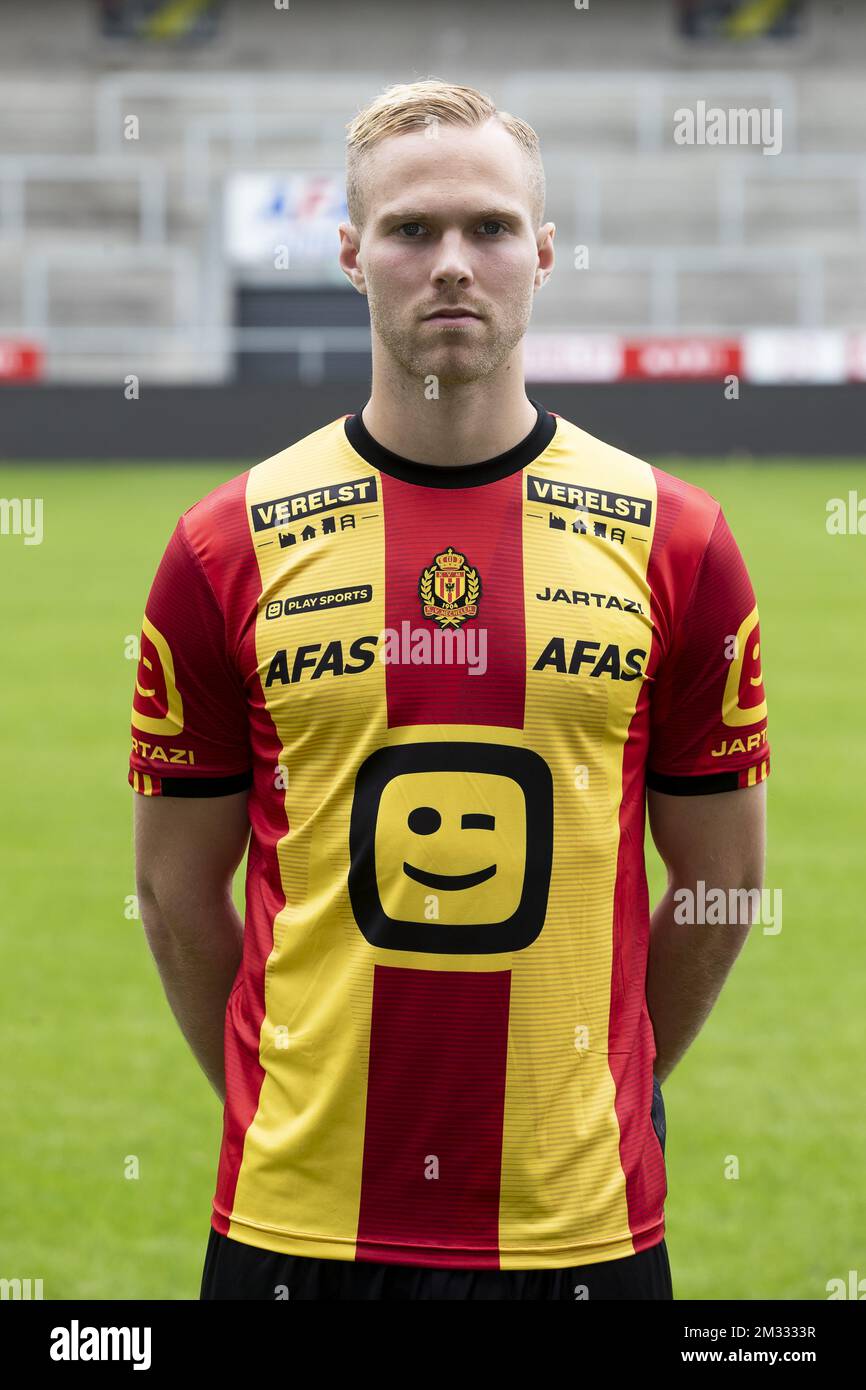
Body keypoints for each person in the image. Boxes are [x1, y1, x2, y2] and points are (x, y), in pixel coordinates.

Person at [129, 79, 770, 1301]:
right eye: (409, 231)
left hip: (579, 1229)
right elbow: (170, 891)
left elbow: (723, 882)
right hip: (295, 1227)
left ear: (540, 253)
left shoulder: (675, 540)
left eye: (486, 229)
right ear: (348, 255)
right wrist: (287, 1104)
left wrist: (609, 1089)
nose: (451, 264)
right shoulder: (227, 544)